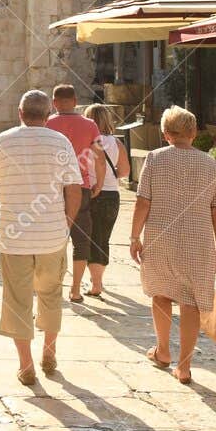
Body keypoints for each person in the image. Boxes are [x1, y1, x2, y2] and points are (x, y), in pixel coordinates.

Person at [0, 91, 83, 385]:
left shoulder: (3, 141)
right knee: (51, 295)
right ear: (48, 115)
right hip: (52, 236)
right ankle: (49, 351)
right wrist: (66, 223)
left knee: (16, 299)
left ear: (20, 113)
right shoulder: (61, 142)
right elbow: (74, 188)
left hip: (15, 238)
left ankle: (26, 365)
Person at [130, 106, 216, 385]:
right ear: (194, 133)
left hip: (160, 239)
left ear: (165, 134)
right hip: (198, 242)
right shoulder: (211, 164)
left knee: (160, 294)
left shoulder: (154, 159)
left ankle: (162, 351)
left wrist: (134, 237)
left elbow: (143, 202)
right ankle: (184, 366)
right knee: (191, 302)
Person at [46, 84, 102, 302]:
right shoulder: (90, 124)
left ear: (54, 102)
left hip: (52, 188)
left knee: (52, 238)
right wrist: (97, 183)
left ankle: (51, 286)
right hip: (81, 185)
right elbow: (98, 155)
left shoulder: (47, 123)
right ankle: (75, 289)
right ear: (76, 101)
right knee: (81, 239)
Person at [72, 104, 129, 298]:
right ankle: (98, 282)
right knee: (103, 238)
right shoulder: (117, 144)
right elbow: (125, 171)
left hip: (90, 193)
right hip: (111, 196)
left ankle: (94, 284)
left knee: (87, 238)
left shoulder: (87, 143)